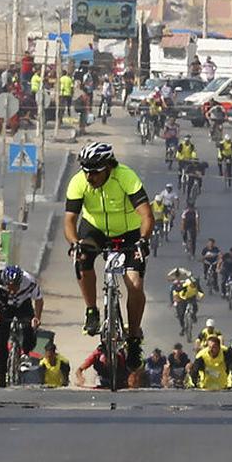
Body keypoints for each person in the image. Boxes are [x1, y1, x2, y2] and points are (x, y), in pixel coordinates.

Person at [64, 142, 155, 370]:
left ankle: (133, 338)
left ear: (108, 167)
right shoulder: (78, 182)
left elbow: (146, 215)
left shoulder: (125, 177)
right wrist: (74, 243)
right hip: (95, 230)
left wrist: (143, 241)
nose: (89, 176)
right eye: (86, 170)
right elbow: (69, 221)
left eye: (95, 171)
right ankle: (92, 310)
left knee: (134, 284)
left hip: (129, 233)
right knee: (82, 258)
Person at [0, 265, 43, 387]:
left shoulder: (30, 281)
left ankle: (26, 353)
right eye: (9, 286)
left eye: (15, 286)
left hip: (22, 305)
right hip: (3, 304)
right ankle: (1, 371)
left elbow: (39, 300)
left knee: (29, 327)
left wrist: (37, 317)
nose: (12, 289)